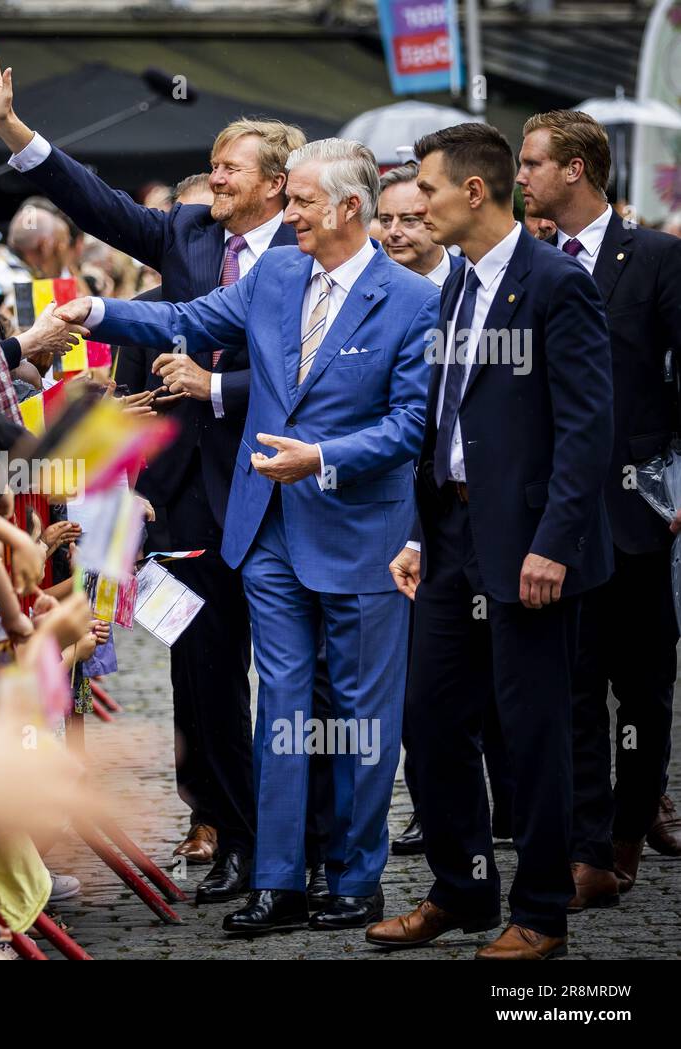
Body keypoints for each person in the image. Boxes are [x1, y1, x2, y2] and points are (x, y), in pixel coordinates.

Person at [57, 138, 438, 935]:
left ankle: (356, 877)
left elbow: (411, 426)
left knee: (363, 713)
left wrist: (325, 456)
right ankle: (277, 881)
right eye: (289, 198)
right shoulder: (273, 273)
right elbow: (186, 317)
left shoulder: (411, 300)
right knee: (281, 708)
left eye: (301, 202)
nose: (288, 215)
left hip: (361, 534)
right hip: (265, 529)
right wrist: (96, 311)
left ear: (349, 209)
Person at [0, 39, 306, 901]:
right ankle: (226, 829)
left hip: (291, 487)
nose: (213, 179)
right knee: (203, 673)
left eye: (228, 169)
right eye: (213, 167)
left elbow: (321, 368)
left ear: (275, 183)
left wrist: (217, 384)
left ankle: (315, 842)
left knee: (306, 677)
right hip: (189, 494)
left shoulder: (314, 248)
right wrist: (12, 131)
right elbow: (97, 202)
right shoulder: (188, 233)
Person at [371, 122, 614, 960]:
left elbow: (588, 428)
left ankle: (542, 910)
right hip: (449, 537)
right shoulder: (457, 285)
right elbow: (446, 425)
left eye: (428, 190)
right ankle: (462, 889)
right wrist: (415, 530)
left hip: (529, 550)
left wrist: (554, 541)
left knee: (532, 730)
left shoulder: (555, 284)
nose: (415, 207)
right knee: (430, 721)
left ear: (474, 191)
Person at [518, 109, 681, 907]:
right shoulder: (535, 262)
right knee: (574, 687)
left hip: (639, 515)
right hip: (560, 517)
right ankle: (586, 850)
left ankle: (626, 832)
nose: (521, 175)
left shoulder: (655, 258)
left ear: (576, 169)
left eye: (533, 162)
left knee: (643, 690)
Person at [375, 163, 516, 858]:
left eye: (412, 213)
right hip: (404, 510)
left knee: (495, 676)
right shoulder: (377, 293)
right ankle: (436, 812)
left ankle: (511, 808)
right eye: (389, 218)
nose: (400, 229)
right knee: (424, 681)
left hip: (476, 506)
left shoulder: (468, 286)